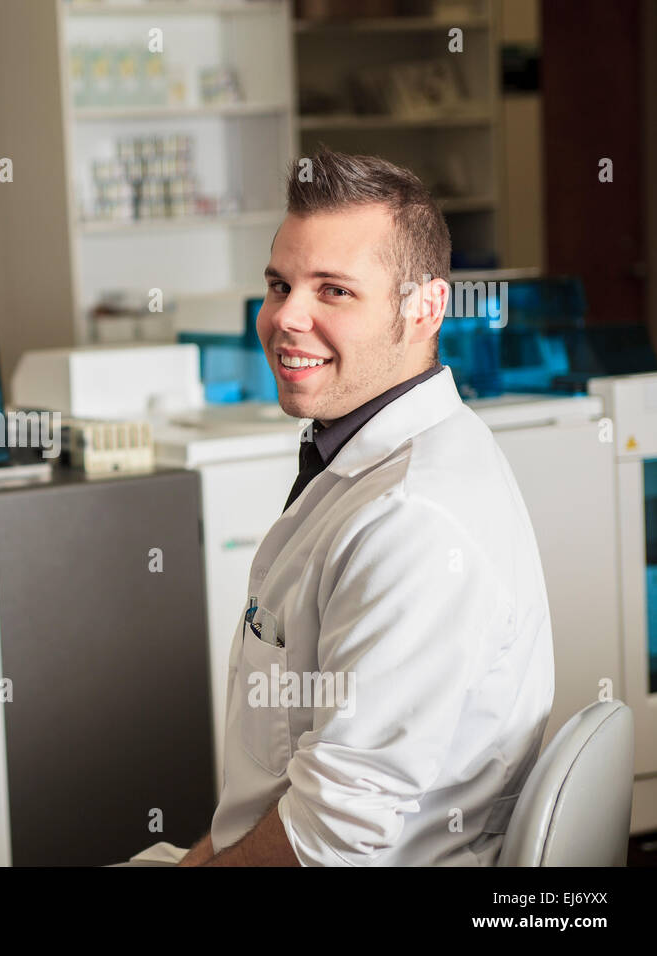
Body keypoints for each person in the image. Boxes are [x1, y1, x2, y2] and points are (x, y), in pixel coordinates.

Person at [128, 150, 554, 866]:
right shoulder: (363, 458)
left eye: (334, 291)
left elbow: (330, 840)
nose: (285, 318)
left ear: (425, 308)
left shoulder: (415, 521)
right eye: (279, 284)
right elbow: (281, 792)